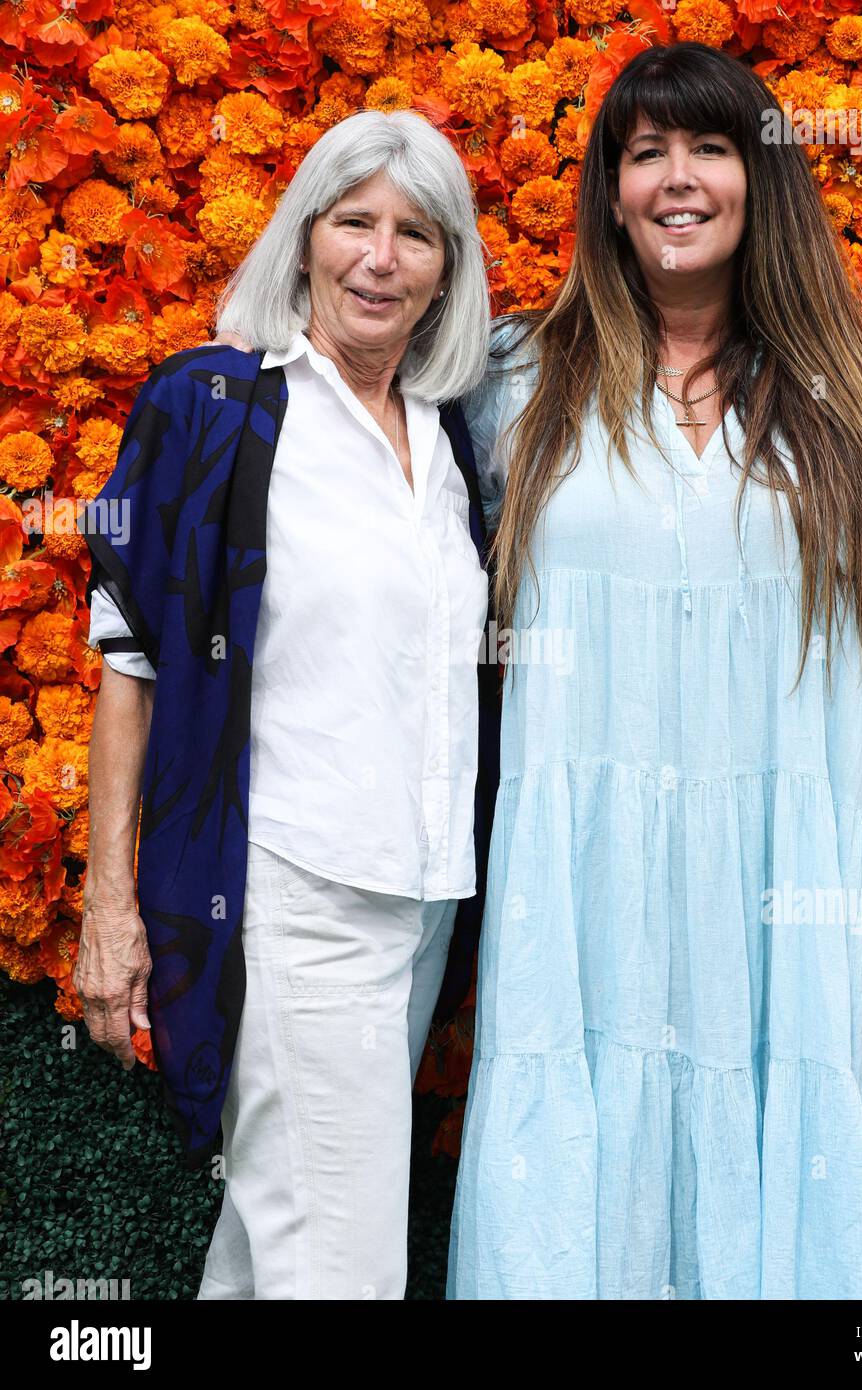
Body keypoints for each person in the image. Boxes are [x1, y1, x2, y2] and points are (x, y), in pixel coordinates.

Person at [446, 42, 862, 1299]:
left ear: (760, 180)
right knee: (586, 1114)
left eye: (709, 149)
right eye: (644, 155)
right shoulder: (516, 383)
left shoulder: (859, 393)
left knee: (806, 1137)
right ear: (610, 192)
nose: (676, 180)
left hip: (801, 859)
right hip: (589, 870)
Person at [74, 108, 500, 1300]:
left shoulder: (452, 435)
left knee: (283, 1246)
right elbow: (133, 661)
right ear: (303, 238)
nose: (381, 256)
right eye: (353, 221)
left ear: (447, 269)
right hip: (298, 885)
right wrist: (111, 905)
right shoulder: (214, 408)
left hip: (422, 901)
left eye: (416, 233)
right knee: (341, 1265)